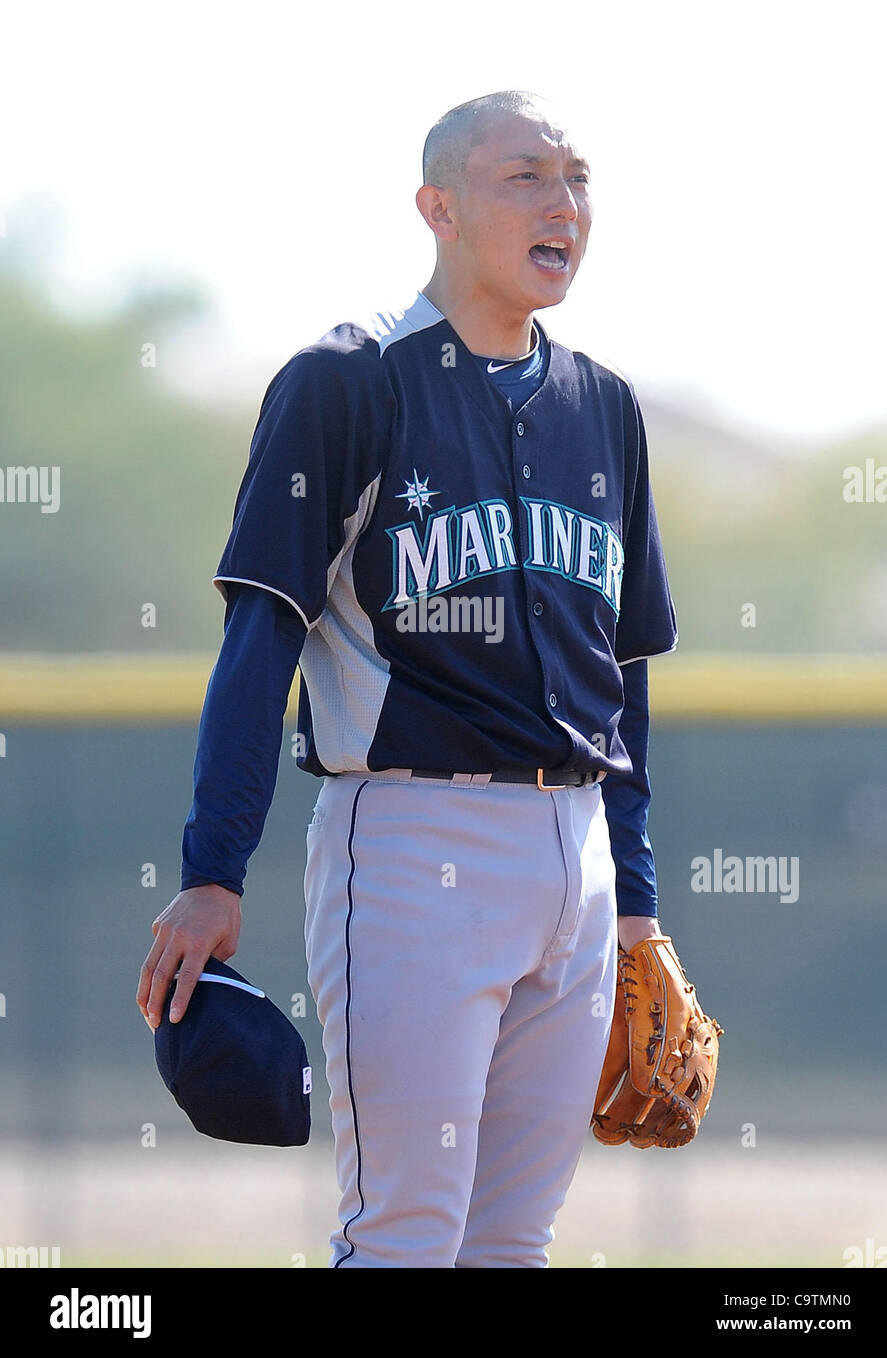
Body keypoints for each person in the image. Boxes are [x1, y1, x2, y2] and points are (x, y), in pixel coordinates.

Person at [137, 90, 678, 1268]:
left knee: (512, 1244)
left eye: (577, 177)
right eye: (524, 175)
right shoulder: (347, 382)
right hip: (412, 840)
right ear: (437, 206)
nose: (563, 203)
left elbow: (622, 675)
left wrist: (633, 903)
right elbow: (261, 636)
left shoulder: (606, 407)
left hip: (576, 852)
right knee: (403, 1233)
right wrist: (210, 872)